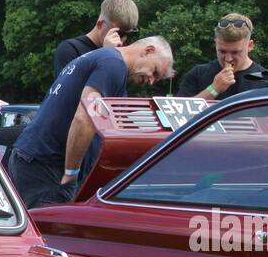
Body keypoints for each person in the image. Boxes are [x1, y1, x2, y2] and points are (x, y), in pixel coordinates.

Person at [13, 37, 173, 208]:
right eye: (155, 72)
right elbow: (85, 118)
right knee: (50, 231)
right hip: (47, 166)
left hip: (35, 159)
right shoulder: (113, 65)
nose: (151, 81)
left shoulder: (104, 59)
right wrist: (71, 174)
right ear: (148, 50)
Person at [176, 14, 265, 102]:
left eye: (235, 52)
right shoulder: (198, 74)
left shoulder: (265, 80)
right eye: (222, 51)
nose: (228, 59)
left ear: (250, 46)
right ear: (215, 43)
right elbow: (177, 112)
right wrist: (214, 89)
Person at [52, 0, 139, 76]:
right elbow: (69, 89)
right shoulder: (70, 49)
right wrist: (105, 54)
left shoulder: (119, 55)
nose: (122, 40)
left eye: (128, 34)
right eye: (119, 33)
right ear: (100, 24)